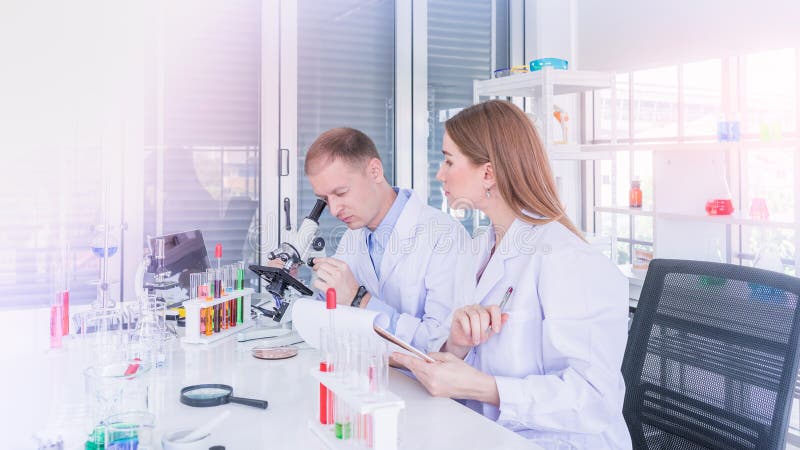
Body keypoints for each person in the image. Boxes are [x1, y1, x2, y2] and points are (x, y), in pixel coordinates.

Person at [391, 100, 631, 449]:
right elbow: (473, 359)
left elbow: (594, 398)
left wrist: (483, 387)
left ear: (487, 173)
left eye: (448, 160)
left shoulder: (567, 259)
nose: (440, 174)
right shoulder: (478, 248)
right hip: (487, 431)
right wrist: (456, 343)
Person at [278, 127, 470, 352]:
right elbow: (329, 314)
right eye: (325, 199)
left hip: (416, 384)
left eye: (340, 193)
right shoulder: (354, 235)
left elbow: (442, 345)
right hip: (366, 376)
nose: (334, 209)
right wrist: (291, 284)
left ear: (375, 171)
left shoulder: (445, 236)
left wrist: (359, 299)